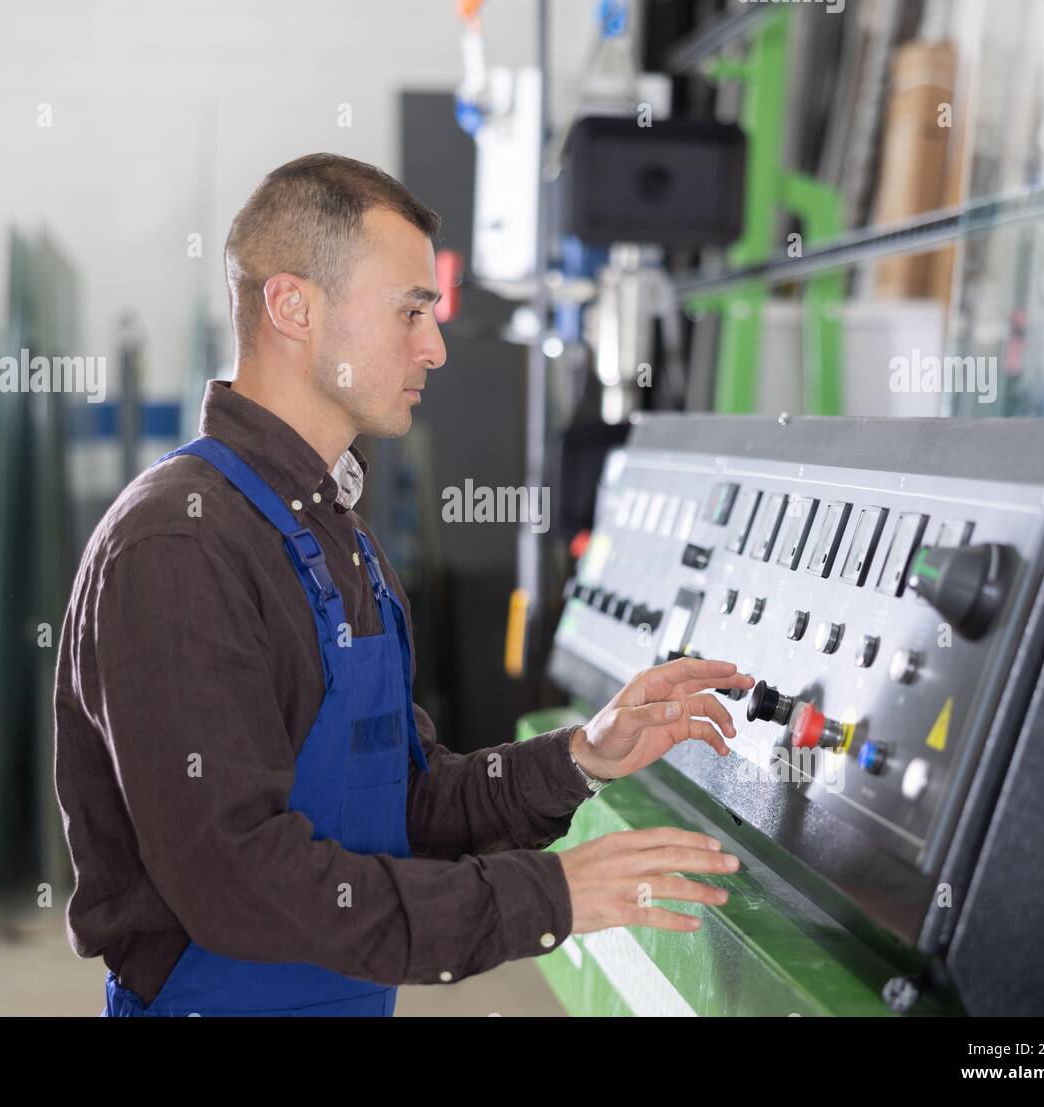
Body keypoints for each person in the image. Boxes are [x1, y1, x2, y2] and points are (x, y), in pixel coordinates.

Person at [53, 152, 752, 1017]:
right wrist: (550, 894)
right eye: (411, 311)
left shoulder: (335, 529)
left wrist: (582, 756)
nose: (436, 346)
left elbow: (409, 805)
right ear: (292, 307)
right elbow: (241, 883)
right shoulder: (178, 544)